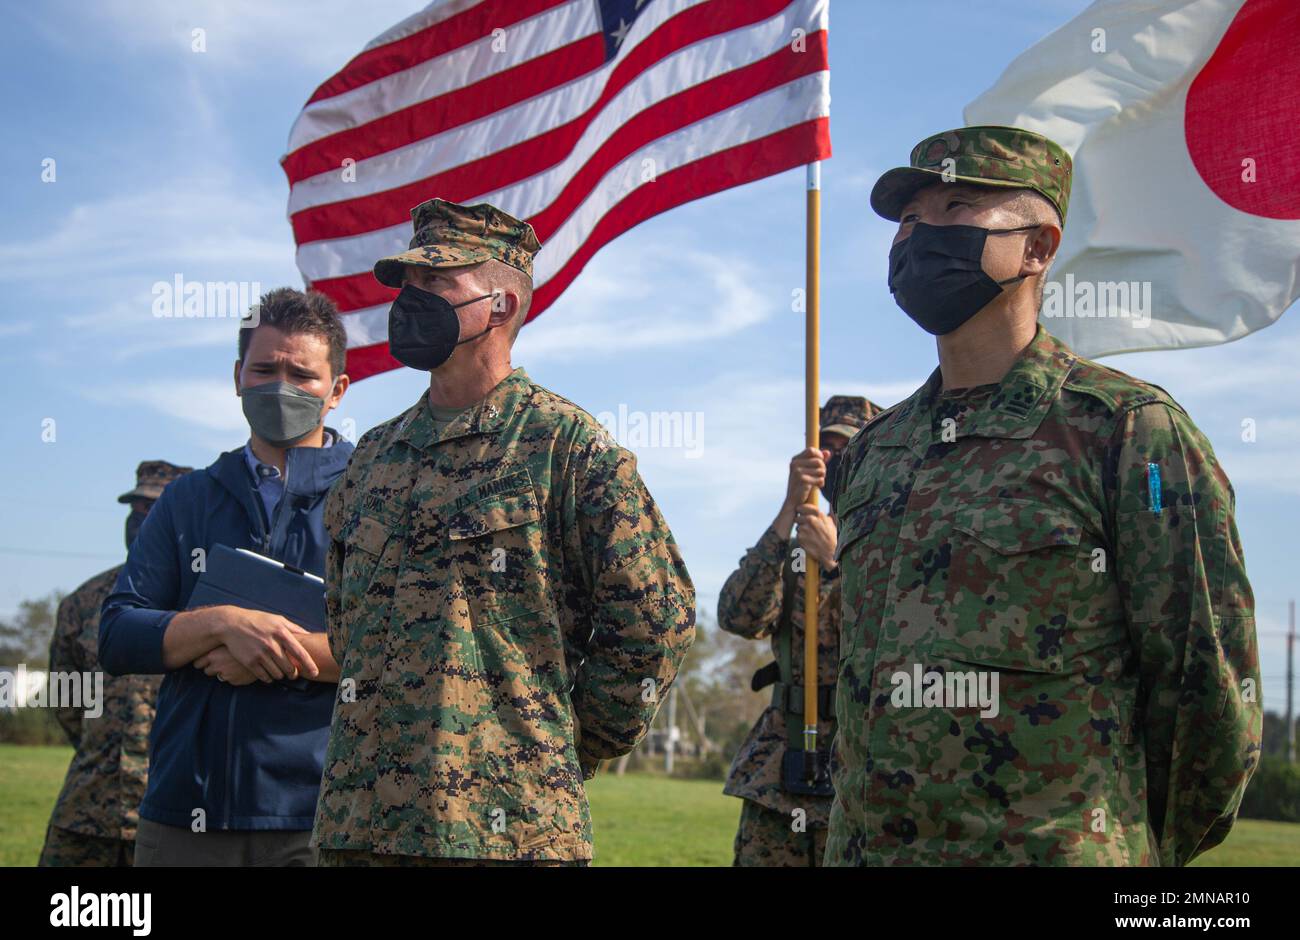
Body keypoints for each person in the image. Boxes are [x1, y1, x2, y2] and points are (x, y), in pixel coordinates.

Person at [827, 125, 1260, 866]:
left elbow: (1208, 696)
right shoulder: (876, 449)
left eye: (958, 208)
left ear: (1038, 247)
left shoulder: (1127, 432)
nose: (920, 236)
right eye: (908, 220)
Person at [313, 198, 696, 866]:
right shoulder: (372, 458)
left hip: (506, 832)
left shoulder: (564, 445)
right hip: (358, 826)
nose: (413, 298)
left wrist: (561, 745)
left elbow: (655, 616)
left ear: (502, 304)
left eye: (438, 282)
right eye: (409, 283)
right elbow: (345, 619)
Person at [99, 288, 353, 866]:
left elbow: (404, 649)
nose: (280, 386)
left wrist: (267, 647)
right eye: (264, 369)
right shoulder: (188, 498)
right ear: (237, 376)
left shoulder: (374, 496)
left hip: (324, 817)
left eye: (302, 374)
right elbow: (117, 635)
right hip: (187, 813)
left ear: (336, 391)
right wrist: (221, 622)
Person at [719, 396, 879, 867]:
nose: (829, 457)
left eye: (843, 446)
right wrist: (789, 508)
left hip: (860, 771)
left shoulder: (893, 543)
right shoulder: (796, 550)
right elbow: (738, 616)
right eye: (822, 446)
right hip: (781, 769)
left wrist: (836, 560)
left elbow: (899, 630)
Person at [39, 460, 192, 867]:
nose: (140, 520)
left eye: (153, 511)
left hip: (176, 817)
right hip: (87, 815)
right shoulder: (85, 602)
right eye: (136, 509)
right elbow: (68, 704)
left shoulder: (206, 602)